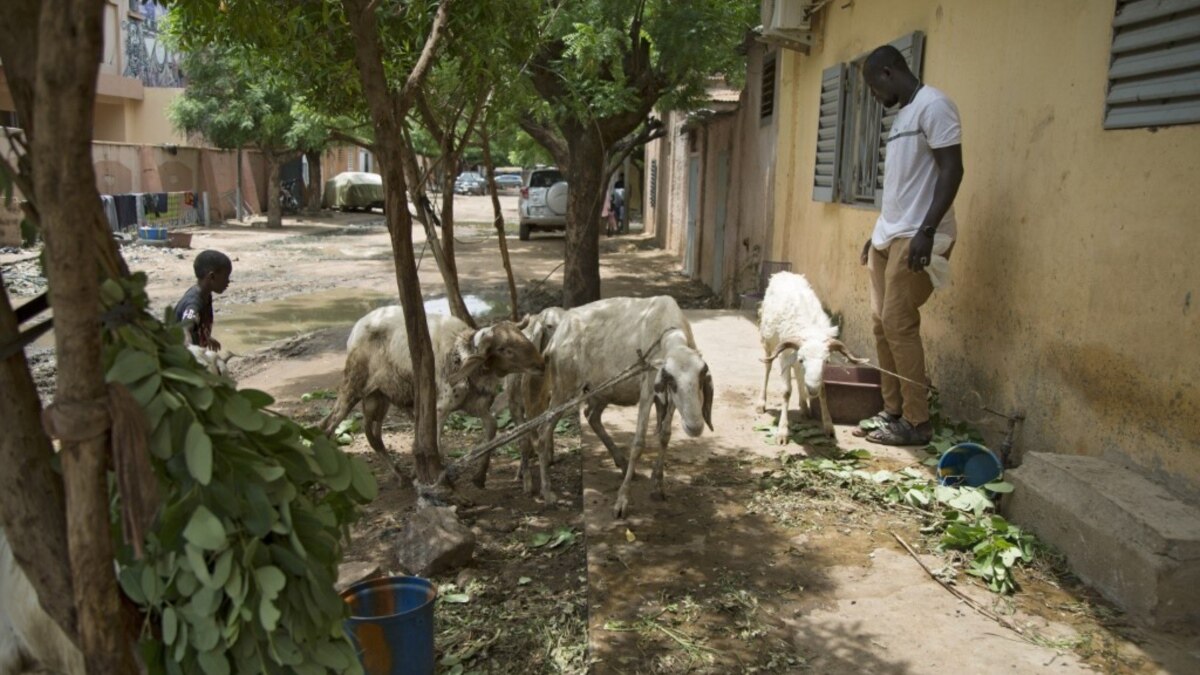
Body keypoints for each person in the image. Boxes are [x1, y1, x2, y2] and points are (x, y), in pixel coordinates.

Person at [856, 45, 964, 446]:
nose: (874, 96)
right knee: (880, 323)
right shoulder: (903, 117)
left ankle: (917, 423)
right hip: (890, 233)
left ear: (888, 72)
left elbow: (953, 169)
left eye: (873, 87)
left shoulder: (935, 106)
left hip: (919, 234)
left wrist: (927, 230)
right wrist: (877, 233)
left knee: (898, 322)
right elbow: (906, 184)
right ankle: (893, 412)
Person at [174, 249, 232, 350]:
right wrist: (189, 346)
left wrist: (205, 337)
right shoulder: (194, 302)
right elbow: (185, 327)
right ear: (212, 276)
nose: (228, 281)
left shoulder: (206, 295)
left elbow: (197, 324)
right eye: (226, 277)